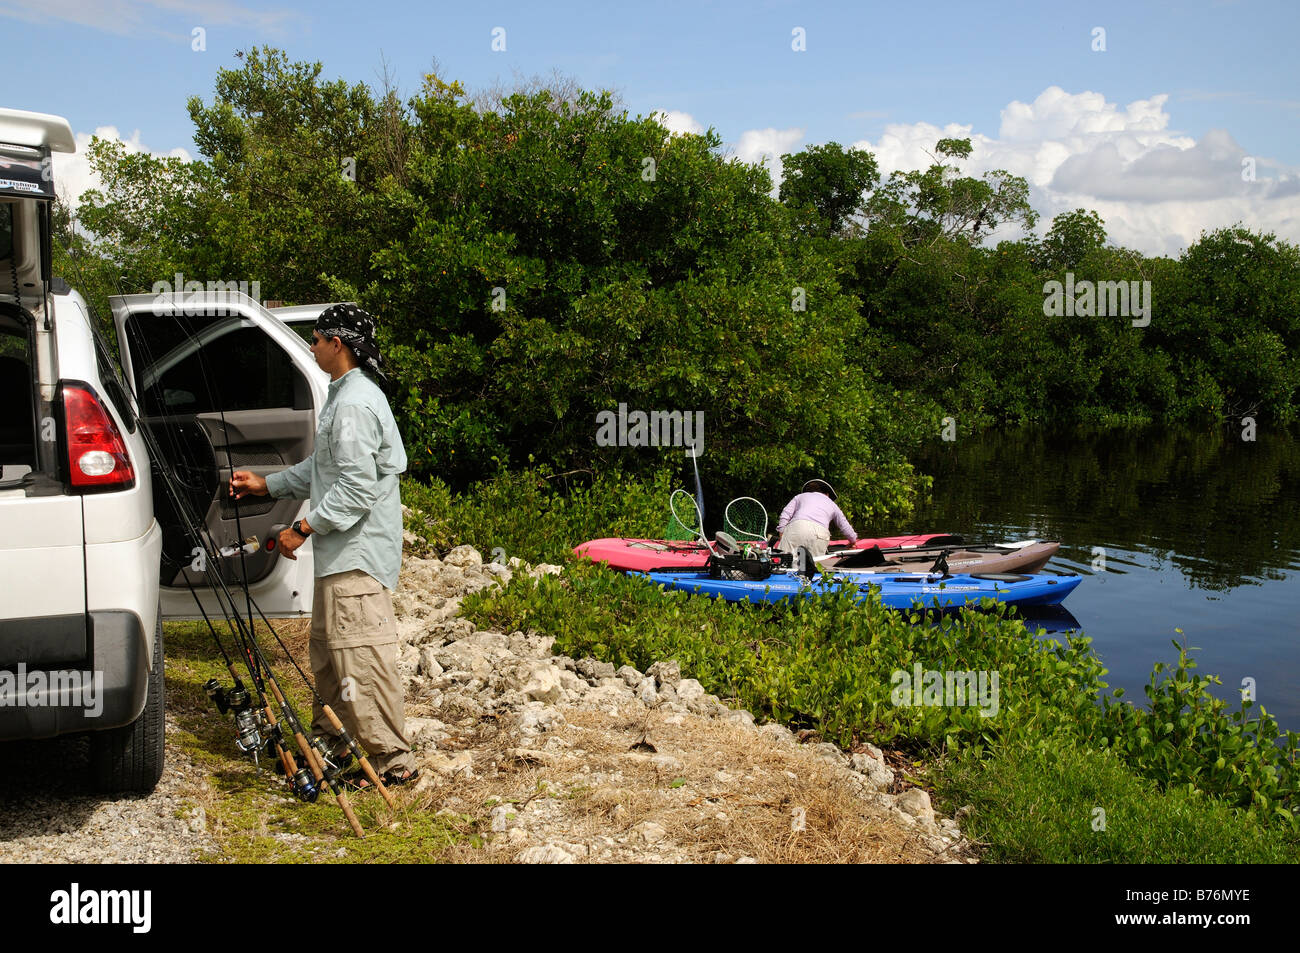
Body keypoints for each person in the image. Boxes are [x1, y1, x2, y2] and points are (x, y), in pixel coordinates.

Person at [229, 304, 417, 788]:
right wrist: (265, 485)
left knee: (361, 655)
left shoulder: (355, 403)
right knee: (331, 656)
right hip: (340, 557)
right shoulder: (343, 396)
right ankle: (332, 742)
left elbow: (355, 488)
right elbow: (321, 471)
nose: (310, 347)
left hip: (355, 555)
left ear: (339, 344)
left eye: (316, 339)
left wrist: (303, 529)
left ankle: (391, 762)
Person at [775, 479, 858, 558]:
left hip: (796, 528)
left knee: (784, 562)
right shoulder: (832, 504)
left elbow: (785, 515)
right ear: (827, 494)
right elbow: (844, 526)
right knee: (812, 566)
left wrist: (782, 533)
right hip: (820, 534)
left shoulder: (799, 497)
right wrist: (853, 541)